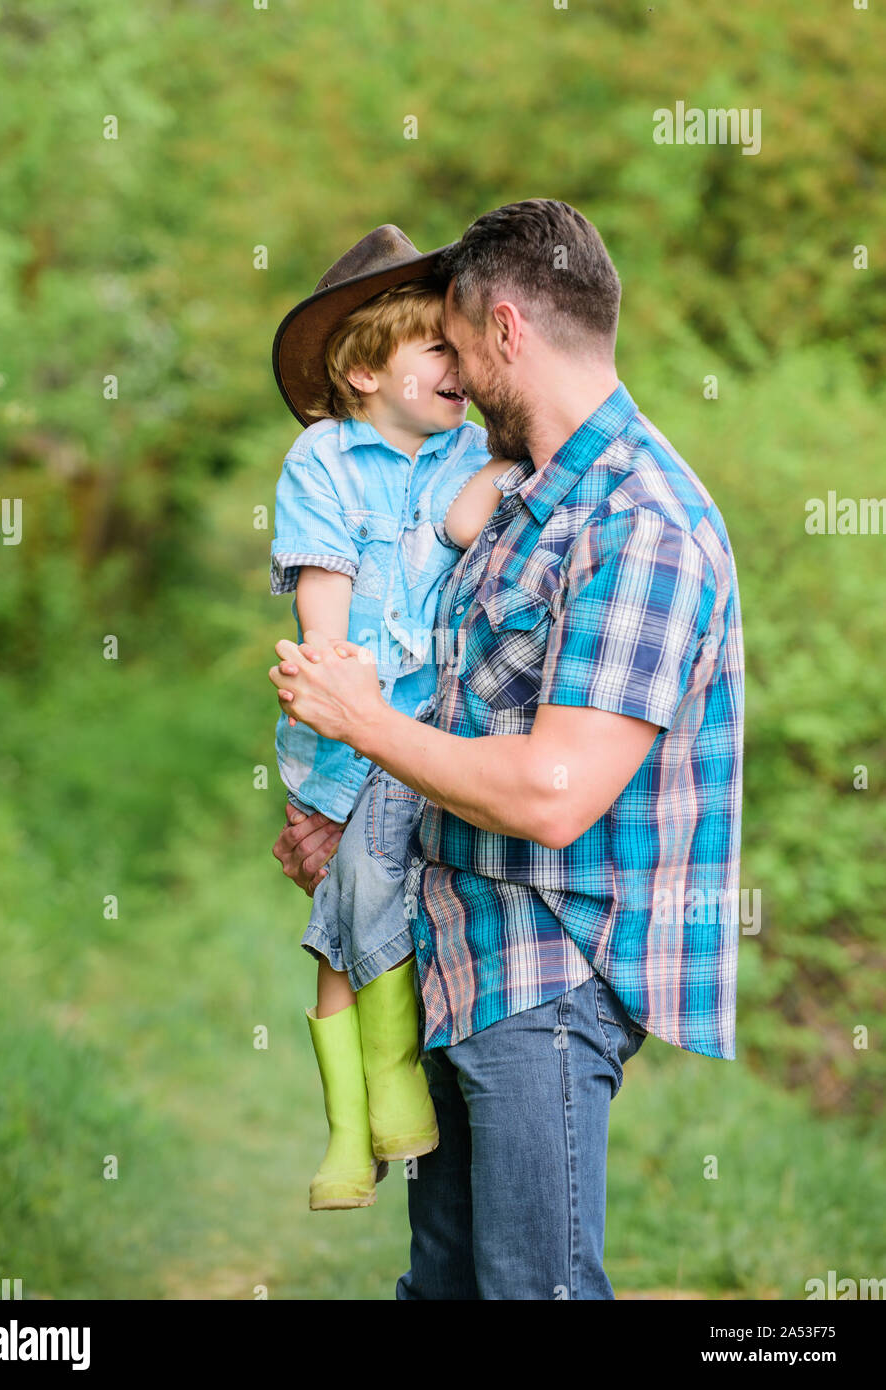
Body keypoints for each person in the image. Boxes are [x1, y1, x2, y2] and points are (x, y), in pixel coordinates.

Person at [270, 198, 745, 1298]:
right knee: (444, 1284)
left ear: (503, 332)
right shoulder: (523, 497)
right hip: (458, 952)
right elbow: (450, 709)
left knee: (534, 1287)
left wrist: (364, 727)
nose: (453, 372)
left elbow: (550, 792)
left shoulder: (637, 525)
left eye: (452, 337)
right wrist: (349, 826)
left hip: (548, 974)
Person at [270, 224, 505, 1210]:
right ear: (364, 371)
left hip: (421, 732)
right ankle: (379, 1093)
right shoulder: (323, 459)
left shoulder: (465, 453)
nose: (457, 369)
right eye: (435, 352)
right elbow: (323, 576)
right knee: (355, 890)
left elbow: (465, 521)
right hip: (343, 725)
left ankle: (358, 1126)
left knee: (350, 904)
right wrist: (337, 685)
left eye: (461, 351)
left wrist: (518, 459)